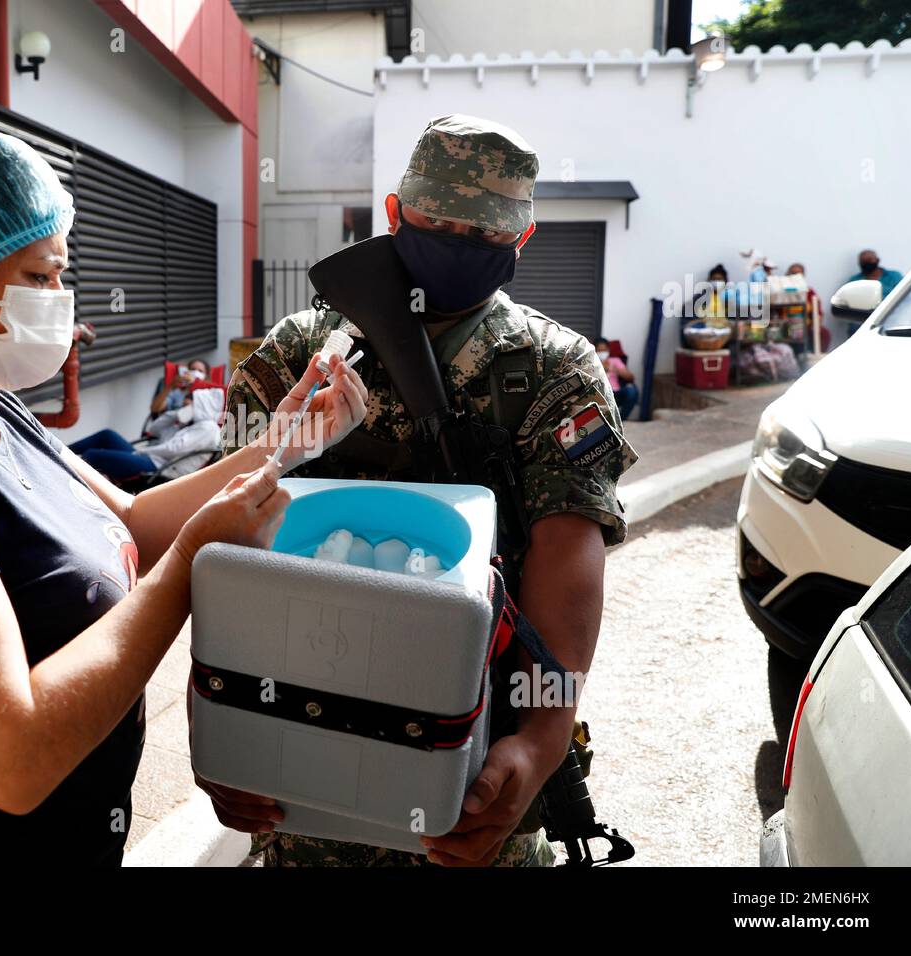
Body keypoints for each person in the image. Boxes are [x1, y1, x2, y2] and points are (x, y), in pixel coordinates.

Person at [0, 130, 368, 867]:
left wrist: (283, 442)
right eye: (40, 275)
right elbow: (9, 755)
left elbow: (134, 525)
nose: (61, 301)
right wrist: (191, 564)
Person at [206, 114, 638, 867]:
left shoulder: (553, 369)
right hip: (302, 759)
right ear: (394, 215)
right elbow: (221, 538)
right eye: (439, 223)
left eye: (485, 237)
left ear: (521, 242)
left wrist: (537, 747)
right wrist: (216, 728)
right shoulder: (302, 351)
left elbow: (566, 566)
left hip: (473, 773)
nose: (459, 246)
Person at [70, 387, 224, 480]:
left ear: (201, 406)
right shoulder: (187, 423)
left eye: (188, 403)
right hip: (150, 457)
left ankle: (62, 466)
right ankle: (59, 449)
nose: (184, 405)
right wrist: (175, 415)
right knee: (107, 435)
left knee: (93, 455)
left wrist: (142, 451)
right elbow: (154, 429)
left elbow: (173, 450)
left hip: (160, 468)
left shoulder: (208, 429)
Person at [595, 337, 637, 419]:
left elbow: (630, 377)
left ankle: (621, 420)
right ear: (595, 351)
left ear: (608, 350)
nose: (602, 353)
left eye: (604, 350)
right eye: (599, 350)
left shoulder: (615, 361)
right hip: (599, 393)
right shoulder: (592, 362)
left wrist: (616, 370)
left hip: (615, 393)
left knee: (632, 391)